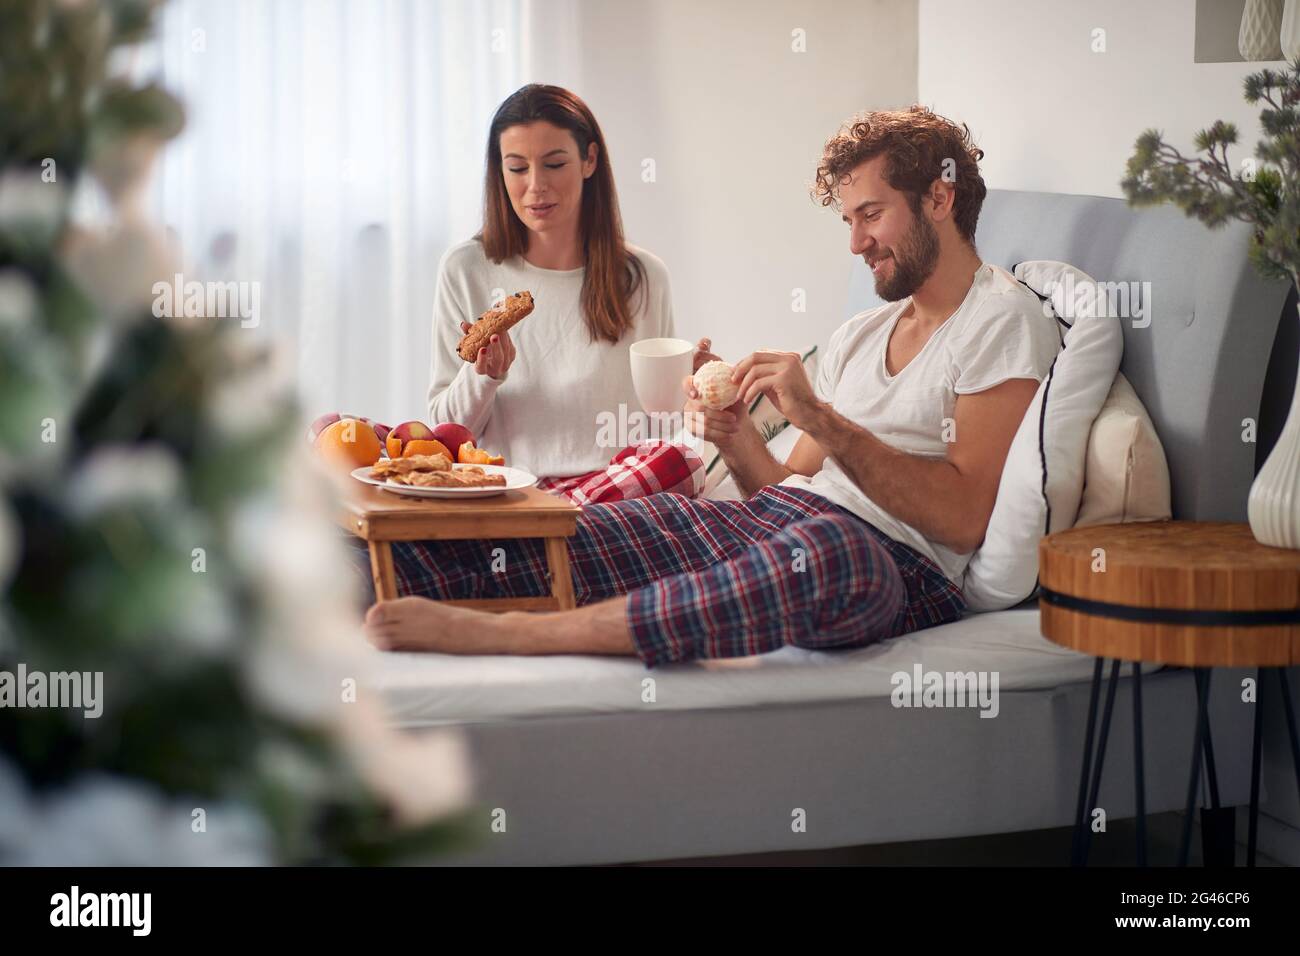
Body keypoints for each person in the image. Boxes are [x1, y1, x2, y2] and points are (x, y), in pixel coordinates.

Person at [365, 105, 1061, 667]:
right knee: (608, 523)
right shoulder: (861, 335)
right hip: (783, 521)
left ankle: (516, 636)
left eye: (871, 215)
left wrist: (820, 417)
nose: (854, 244)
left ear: (939, 198)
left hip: (890, 562)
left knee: (830, 556)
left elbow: (966, 518)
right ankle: (366, 576)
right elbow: (785, 486)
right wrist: (734, 433)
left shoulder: (1000, 319)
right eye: (848, 220)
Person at [427, 83, 707, 503]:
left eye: (554, 163)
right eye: (517, 168)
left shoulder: (645, 276)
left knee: (681, 462)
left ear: (589, 159)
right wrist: (483, 376)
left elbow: (664, 427)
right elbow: (445, 436)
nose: (536, 186)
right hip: (514, 490)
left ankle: (560, 525)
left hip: (616, 491)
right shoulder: (465, 268)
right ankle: (555, 525)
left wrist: (693, 393)